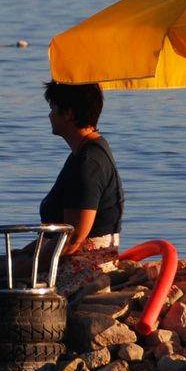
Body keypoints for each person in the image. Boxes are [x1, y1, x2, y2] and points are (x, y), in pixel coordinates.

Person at [39, 80, 124, 292]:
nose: (49, 116)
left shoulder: (88, 161)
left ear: (68, 113)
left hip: (87, 270)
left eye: (53, 109)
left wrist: (28, 265)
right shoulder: (82, 152)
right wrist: (25, 253)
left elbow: (74, 238)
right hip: (70, 260)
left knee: (1, 284)